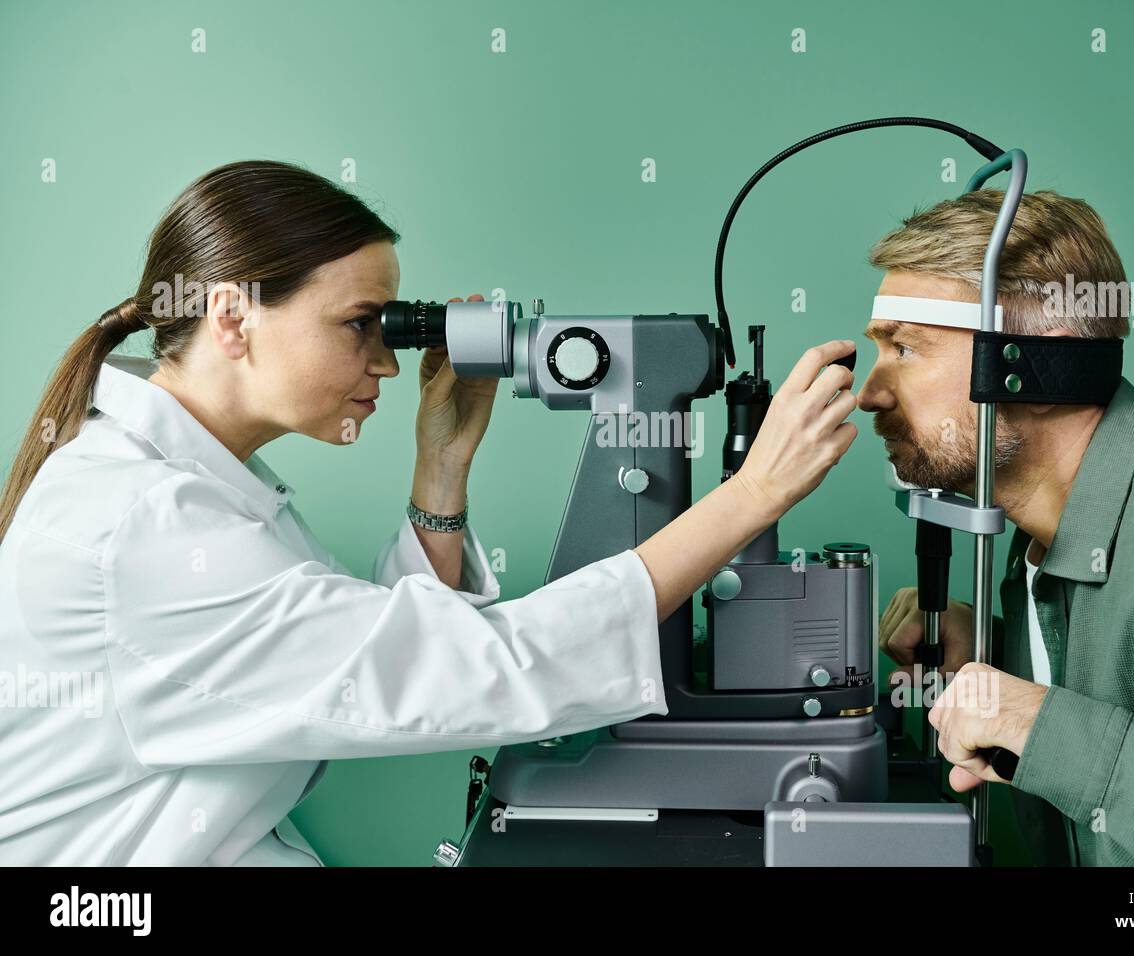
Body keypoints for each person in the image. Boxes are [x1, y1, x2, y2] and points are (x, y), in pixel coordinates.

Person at [0, 160, 860, 865]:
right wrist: (751, 496)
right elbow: (473, 671)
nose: (383, 357)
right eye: (360, 324)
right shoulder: (149, 525)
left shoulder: (197, 488)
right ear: (232, 316)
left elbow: (376, 646)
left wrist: (440, 466)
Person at [863, 189, 1134, 865]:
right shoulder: (1048, 532)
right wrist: (997, 655)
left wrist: (1053, 736)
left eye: (906, 349)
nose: (871, 392)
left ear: (1039, 369)